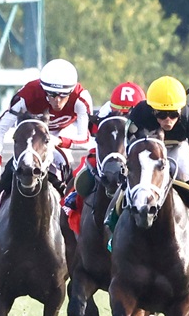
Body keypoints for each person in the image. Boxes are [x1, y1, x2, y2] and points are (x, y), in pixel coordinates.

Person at [0, 58, 93, 234]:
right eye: (51, 95)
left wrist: (60, 142)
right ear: (44, 89)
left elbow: (85, 138)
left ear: (72, 91)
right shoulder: (28, 94)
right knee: (18, 163)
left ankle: (70, 208)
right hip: (32, 134)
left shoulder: (81, 98)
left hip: (63, 134)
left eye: (63, 95)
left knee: (63, 165)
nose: (57, 101)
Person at [62, 81, 145, 226]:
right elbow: (97, 136)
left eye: (128, 114)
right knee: (86, 166)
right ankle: (73, 196)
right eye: (122, 112)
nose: (124, 116)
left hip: (137, 150)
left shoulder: (146, 113)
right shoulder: (106, 111)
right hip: (111, 150)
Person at [126, 75, 189, 193]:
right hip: (148, 148)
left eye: (173, 114)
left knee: (187, 175)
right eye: (161, 115)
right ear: (152, 110)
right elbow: (130, 142)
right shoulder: (139, 114)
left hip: (176, 149)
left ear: (180, 110)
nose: (168, 120)